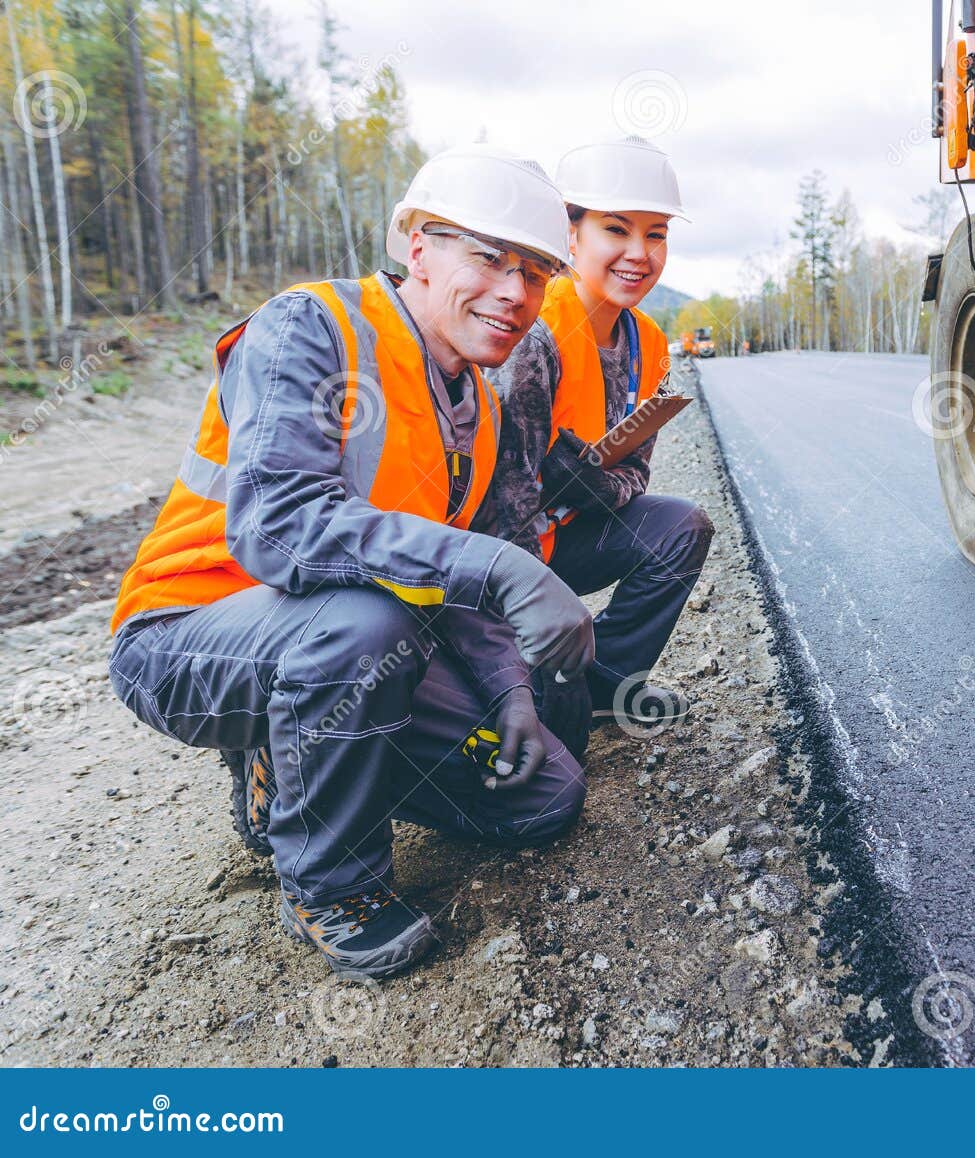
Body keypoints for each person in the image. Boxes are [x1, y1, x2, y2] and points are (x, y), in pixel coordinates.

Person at [107, 145, 593, 981]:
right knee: (366, 624)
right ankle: (334, 888)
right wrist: (506, 570)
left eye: (538, 271)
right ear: (418, 248)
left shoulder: (476, 405)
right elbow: (279, 528)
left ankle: (298, 760)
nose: (516, 293)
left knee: (545, 797)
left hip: (345, 645)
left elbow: (444, 583)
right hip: (184, 637)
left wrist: (510, 687)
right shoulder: (310, 326)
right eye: (488, 256)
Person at [478, 136, 714, 754]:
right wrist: (539, 663)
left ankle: (605, 686)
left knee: (681, 527)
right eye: (617, 229)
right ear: (571, 233)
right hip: (496, 561)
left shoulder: (651, 344)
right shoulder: (534, 331)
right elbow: (501, 517)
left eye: (656, 234)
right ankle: (537, 686)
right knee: (556, 747)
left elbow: (636, 470)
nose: (640, 254)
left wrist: (596, 484)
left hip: (568, 533)